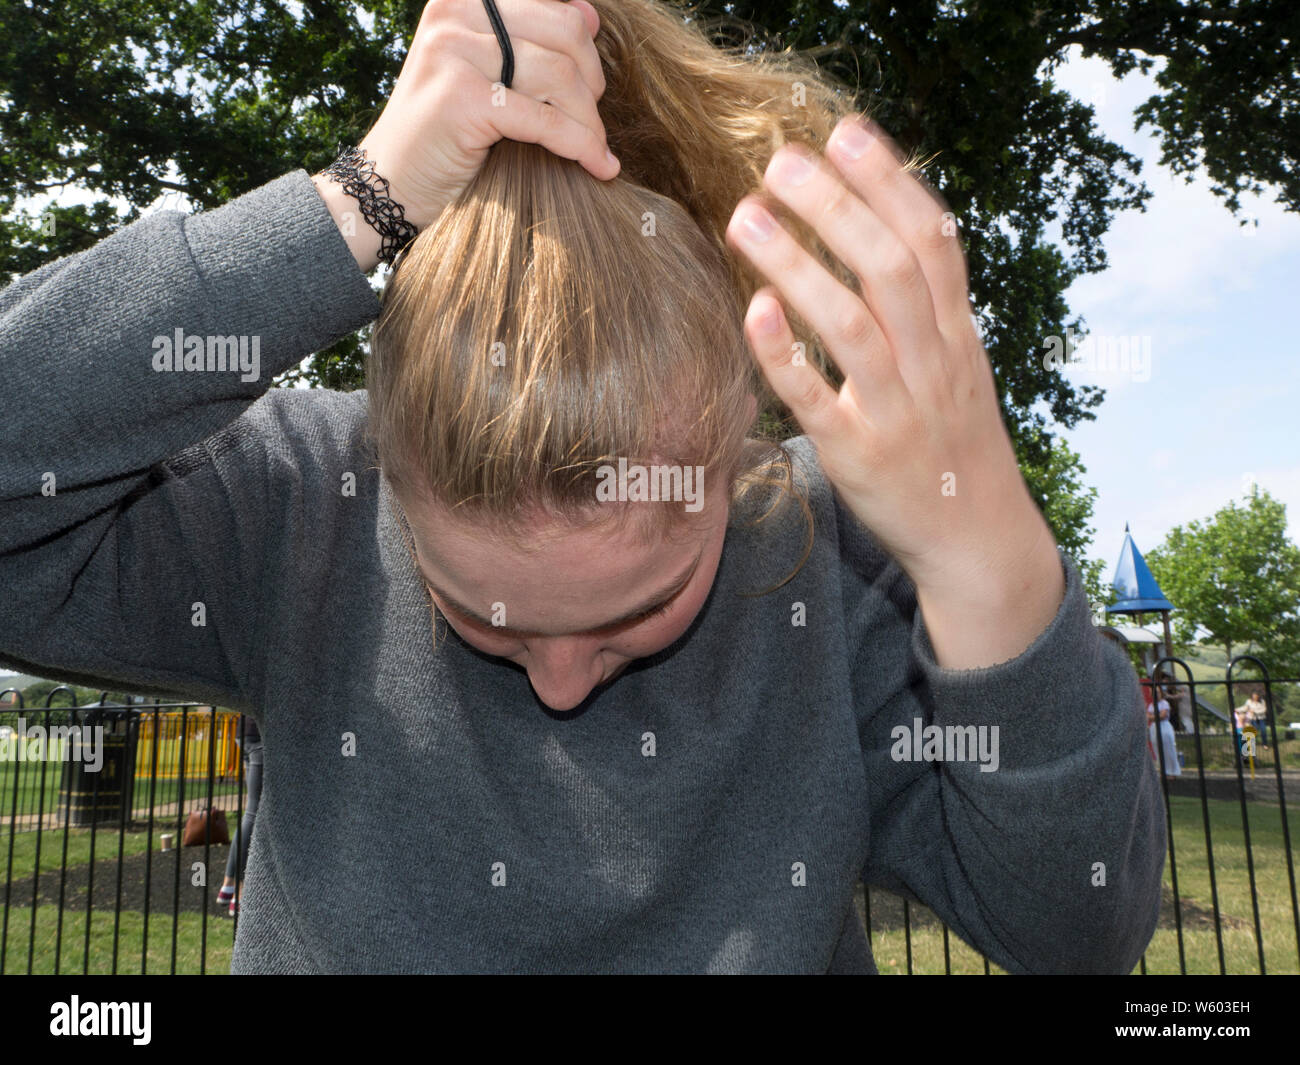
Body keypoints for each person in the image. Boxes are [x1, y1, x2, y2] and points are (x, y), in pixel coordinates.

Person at [0, 0, 1166, 974]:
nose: (560, 684)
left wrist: (988, 566)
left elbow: (1074, 932)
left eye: (633, 608)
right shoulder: (295, 510)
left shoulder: (831, 554)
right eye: (485, 616)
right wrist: (363, 195)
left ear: (733, 457)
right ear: (388, 475)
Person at [218, 714, 264, 916]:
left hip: (245, 733)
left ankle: (228, 886)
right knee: (254, 812)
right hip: (259, 736)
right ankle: (241, 890)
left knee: (251, 812)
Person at [1147, 688, 1181, 777]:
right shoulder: (1151, 705)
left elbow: (1162, 716)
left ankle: (1173, 772)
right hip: (1154, 728)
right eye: (1154, 693)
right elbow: (1149, 716)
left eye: (1157, 692)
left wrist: (1153, 716)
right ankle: (1164, 770)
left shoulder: (1164, 703)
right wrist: (1155, 716)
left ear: (1161, 693)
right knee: (1157, 749)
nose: (1156, 694)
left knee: (1168, 749)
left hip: (1164, 727)